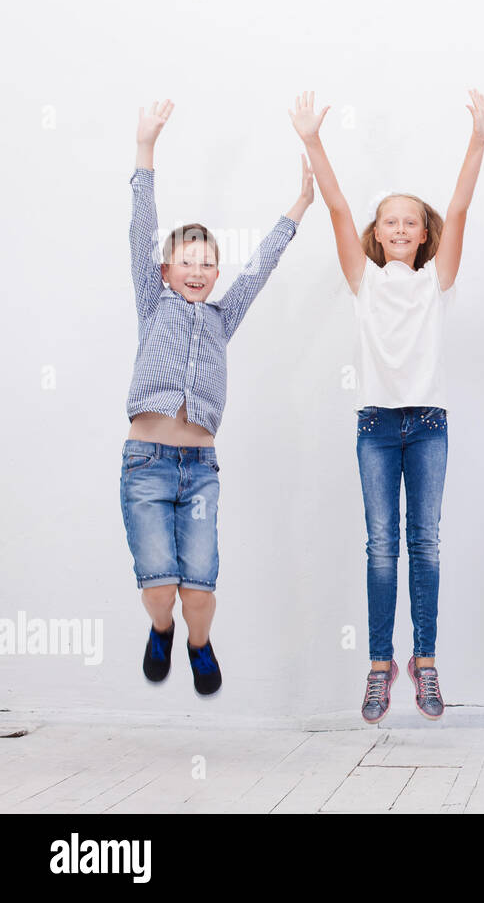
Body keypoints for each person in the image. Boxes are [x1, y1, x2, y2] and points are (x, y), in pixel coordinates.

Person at [290, 89, 484, 720]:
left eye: (411, 221)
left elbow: (459, 208)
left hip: (429, 427)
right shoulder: (365, 282)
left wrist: (479, 140)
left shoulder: (438, 283)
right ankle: (380, 664)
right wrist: (313, 140)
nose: (399, 228)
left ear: (423, 233)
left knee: (425, 544)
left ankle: (424, 662)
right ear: (377, 235)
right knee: (382, 546)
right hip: (376, 426)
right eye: (389, 222)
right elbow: (337, 206)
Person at [124, 99, 313, 696]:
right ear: (165, 270)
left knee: (199, 591)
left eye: (209, 261)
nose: (201, 270)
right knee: (160, 588)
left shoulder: (222, 318)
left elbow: (258, 268)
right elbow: (140, 227)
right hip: (147, 467)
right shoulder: (153, 306)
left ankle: (198, 644)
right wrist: (146, 149)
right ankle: (160, 631)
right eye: (188, 260)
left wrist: (299, 206)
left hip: (200, 471)